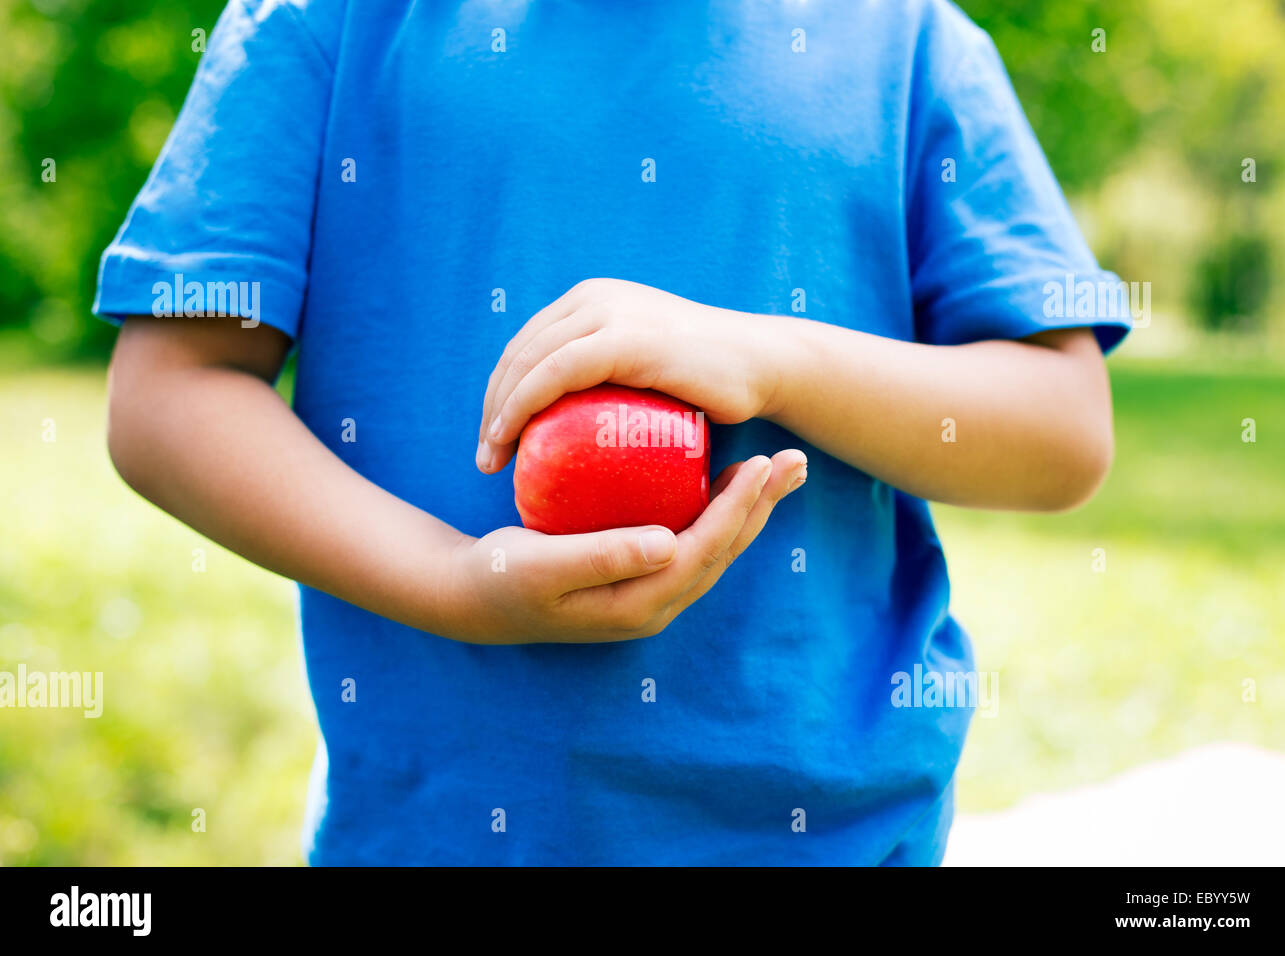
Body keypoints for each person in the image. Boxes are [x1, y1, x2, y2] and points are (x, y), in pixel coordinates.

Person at [97, 0, 1130, 865]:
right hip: (440, 832)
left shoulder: (905, 41)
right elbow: (173, 391)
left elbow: (1061, 427)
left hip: (838, 835)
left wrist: (772, 360)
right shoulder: (326, 19)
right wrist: (454, 581)